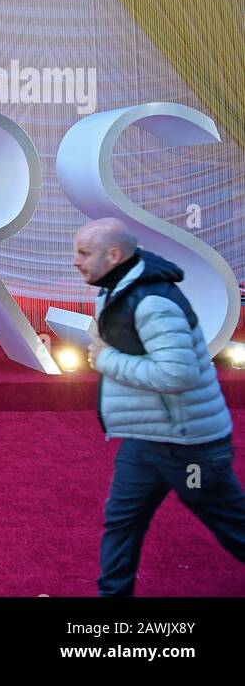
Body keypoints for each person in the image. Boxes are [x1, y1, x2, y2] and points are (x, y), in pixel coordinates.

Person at [72, 217, 245, 596]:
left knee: (231, 524)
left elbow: (177, 375)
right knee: (121, 521)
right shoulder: (114, 288)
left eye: (84, 253)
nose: (76, 261)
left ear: (114, 255)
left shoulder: (153, 302)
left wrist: (105, 360)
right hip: (144, 441)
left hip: (191, 448)